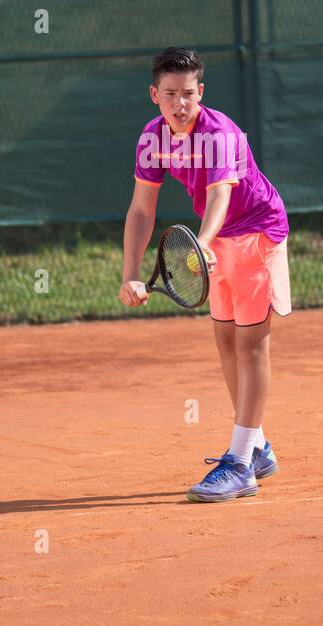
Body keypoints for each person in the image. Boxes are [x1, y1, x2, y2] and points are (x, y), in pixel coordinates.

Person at [118, 47, 291, 502]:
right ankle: (257, 446)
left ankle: (240, 465)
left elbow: (218, 196)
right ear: (154, 94)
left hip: (256, 231)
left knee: (251, 344)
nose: (180, 104)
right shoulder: (152, 138)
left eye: (188, 94)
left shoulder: (221, 134)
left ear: (201, 93)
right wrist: (129, 273)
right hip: (216, 241)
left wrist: (203, 242)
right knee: (226, 341)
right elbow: (141, 209)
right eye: (170, 94)